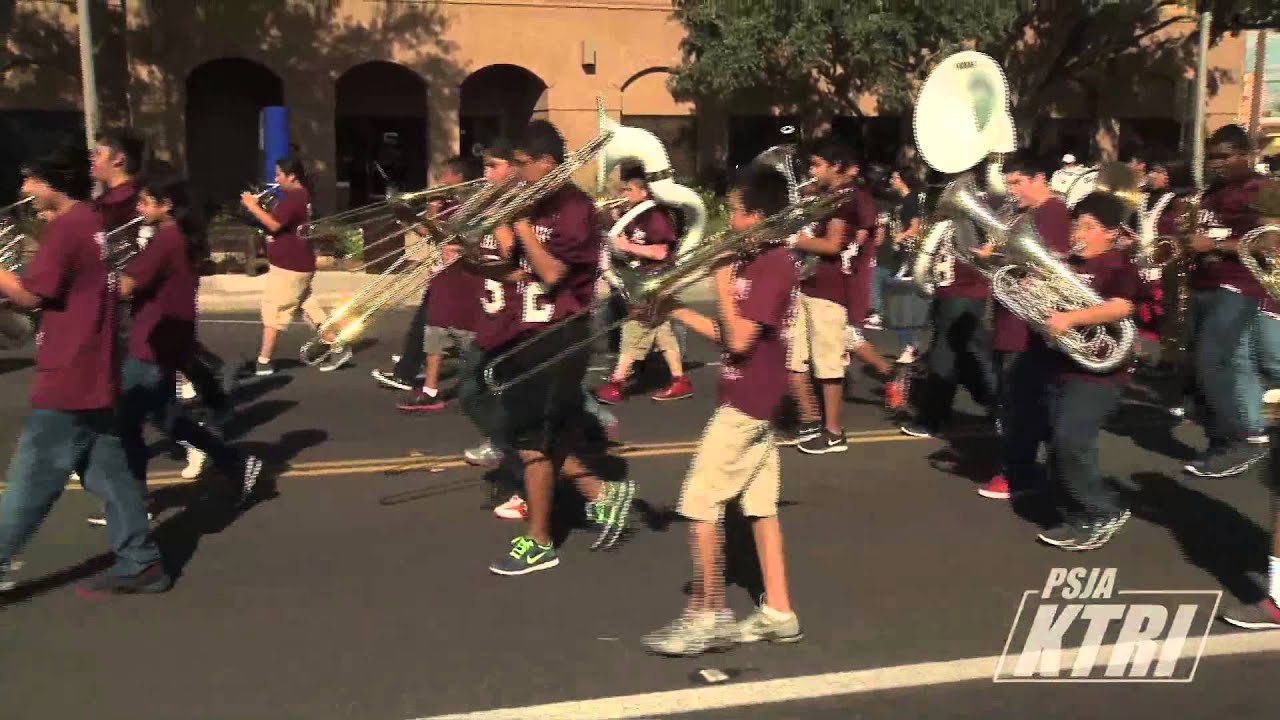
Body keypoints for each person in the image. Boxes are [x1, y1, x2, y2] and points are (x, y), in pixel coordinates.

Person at [643, 165, 801, 656]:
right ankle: (779, 611)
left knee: (699, 505)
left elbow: (740, 337)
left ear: (756, 216)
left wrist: (718, 279)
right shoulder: (753, 262)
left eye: (733, 213)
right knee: (759, 508)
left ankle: (707, 614)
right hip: (745, 394)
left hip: (749, 404)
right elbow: (726, 337)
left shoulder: (774, 263)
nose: (727, 223)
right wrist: (668, 307)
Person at [0, 142, 170, 596]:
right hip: (95, 367)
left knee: (30, 479)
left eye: (30, 178)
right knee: (109, 472)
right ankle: (141, 561)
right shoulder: (88, 222)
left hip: (70, 373)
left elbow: (33, 295)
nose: (24, 188)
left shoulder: (69, 229)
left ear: (52, 181)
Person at [474, 121, 633, 574]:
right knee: (548, 435)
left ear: (546, 163)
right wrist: (471, 260)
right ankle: (602, 497)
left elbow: (554, 274)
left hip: (558, 335)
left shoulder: (573, 209)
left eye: (521, 165)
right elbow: (518, 274)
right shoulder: (533, 204)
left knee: (531, 445)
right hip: (523, 330)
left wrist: (519, 223)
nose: (515, 174)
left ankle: (540, 540)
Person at [112, 172, 262, 512]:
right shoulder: (171, 237)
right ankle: (235, 463)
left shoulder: (167, 240)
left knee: (126, 423)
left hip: (153, 344)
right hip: (162, 341)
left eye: (146, 202)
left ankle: (135, 501)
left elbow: (125, 286)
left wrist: (96, 268)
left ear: (167, 206)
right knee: (167, 420)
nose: (139, 207)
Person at [1011, 192, 1138, 550]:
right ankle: (1076, 515)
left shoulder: (1117, 266)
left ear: (1112, 233)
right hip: (1060, 367)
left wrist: (1071, 317)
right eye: (1075, 225)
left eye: (1089, 226)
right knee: (1059, 445)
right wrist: (1030, 290)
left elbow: (1121, 307)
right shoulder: (1065, 264)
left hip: (1098, 371)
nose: (1078, 233)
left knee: (1071, 442)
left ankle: (1102, 512)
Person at [779, 138, 887, 454]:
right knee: (793, 361)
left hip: (829, 289)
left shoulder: (846, 198)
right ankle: (811, 420)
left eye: (816, 165)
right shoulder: (827, 197)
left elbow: (832, 245)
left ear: (835, 167)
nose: (811, 171)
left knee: (828, 364)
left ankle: (834, 432)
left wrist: (794, 239)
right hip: (807, 285)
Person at [977, 150, 1072, 500]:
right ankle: (1036, 469)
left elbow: (1050, 263)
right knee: (1014, 400)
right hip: (1008, 317)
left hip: (1028, 322)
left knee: (1022, 403)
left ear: (1039, 179)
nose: (1012, 190)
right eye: (1009, 183)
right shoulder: (1019, 212)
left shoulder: (1052, 212)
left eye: (1018, 182)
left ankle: (1018, 473)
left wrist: (1000, 257)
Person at [1183, 125, 1274, 478]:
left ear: (1245, 155)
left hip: (1238, 286)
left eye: (1224, 156)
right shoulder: (1210, 194)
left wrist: (1215, 246)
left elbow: (1270, 244)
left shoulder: (1262, 189)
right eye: (1212, 157)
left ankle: (1241, 441)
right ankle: (1220, 442)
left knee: (1213, 362)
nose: (1216, 163)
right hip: (1204, 284)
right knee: (1195, 369)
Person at [242, 157, 352, 375]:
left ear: (291, 176)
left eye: (278, 175)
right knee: (309, 309)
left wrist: (253, 207)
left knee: (274, 309)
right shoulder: (300, 197)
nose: (276, 179)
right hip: (299, 263)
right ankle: (337, 346)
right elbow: (279, 224)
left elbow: (274, 224)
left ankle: (263, 361)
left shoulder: (294, 197)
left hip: (289, 266)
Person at [594, 164, 693, 404]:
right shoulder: (631, 216)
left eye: (627, 190)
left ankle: (616, 383)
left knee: (635, 327)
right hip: (640, 279)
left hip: (653, 280)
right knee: (661, 330)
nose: (622, 195)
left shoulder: (655, 216)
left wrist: (628, 247)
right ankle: (680, 380)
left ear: (643, 192)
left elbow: (661, 252)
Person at [399, 156, 486, 411]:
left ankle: (480, 383)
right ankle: (430, 389)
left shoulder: (474, 204)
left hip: (465, 276)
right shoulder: (448, 203)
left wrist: (434, 212)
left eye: (444, 175)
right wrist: (411, 217)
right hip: (442, 275)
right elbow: (430, 233)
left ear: (458, 177)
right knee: (434, 332)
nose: (440, 181)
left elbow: (450, 233)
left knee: (466, 335)